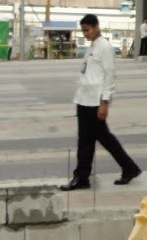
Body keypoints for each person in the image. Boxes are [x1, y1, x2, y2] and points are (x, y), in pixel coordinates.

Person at [60, 14, 141, 191]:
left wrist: (105, 102)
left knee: (98, 139)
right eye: (83, 31)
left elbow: (110, 75)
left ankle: (85, 176)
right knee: (90, 140)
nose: (86, 34)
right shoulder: (92, 47)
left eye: (88, 30)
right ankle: (85, 176)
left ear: (97, 27)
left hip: (95, 102)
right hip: (84, 100)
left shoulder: (105, 47)